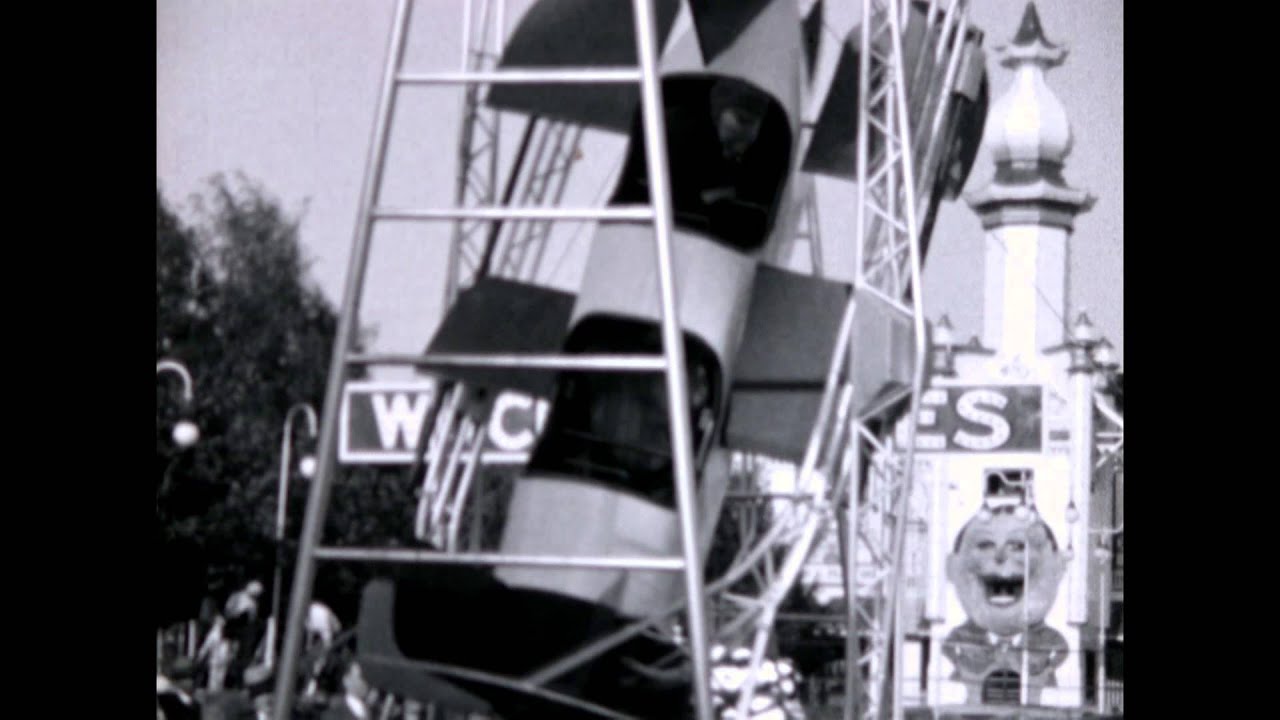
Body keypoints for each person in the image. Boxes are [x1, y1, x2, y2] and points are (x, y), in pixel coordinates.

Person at [942, 504, 1068, 705]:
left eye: (1019, 546)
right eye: (985, 544)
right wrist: (958, 663)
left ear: (1059, 566)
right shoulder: (960, 636)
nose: (1000, 557)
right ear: (951, 567)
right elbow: (946, 647)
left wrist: (1050, 668)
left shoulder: (1050, 638)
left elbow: (1063, 649)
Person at [223, 580, 265, 689]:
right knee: (232, 657)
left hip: (245, 632)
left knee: (241, 658)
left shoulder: (253, 602)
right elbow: (229, 612)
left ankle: (236, 681)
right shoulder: (238, 597)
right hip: (235, 630)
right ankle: (230, 680)